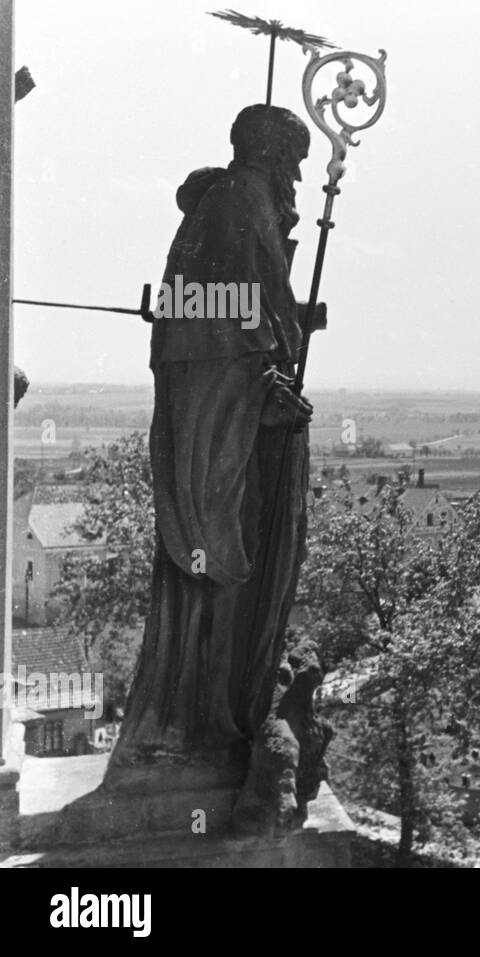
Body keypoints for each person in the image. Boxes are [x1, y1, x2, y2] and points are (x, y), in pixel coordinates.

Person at [106, 104, 321, 790]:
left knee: (247, 577)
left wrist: (289, 323)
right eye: (293, 163)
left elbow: (241, 315)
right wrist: (260, 390)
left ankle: (226, 720)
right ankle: (193, 735)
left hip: (248, 426)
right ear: (271, 157)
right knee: (222, 573)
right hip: (227, 431)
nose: (297, 181)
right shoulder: (233, 205)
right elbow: (204, 340)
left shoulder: (248, 209)